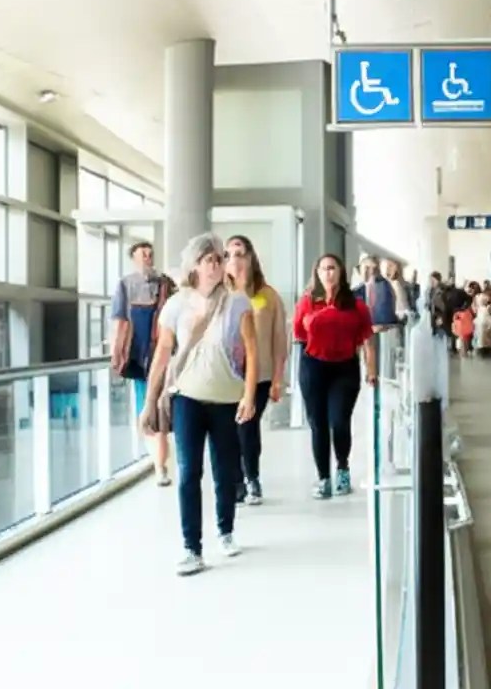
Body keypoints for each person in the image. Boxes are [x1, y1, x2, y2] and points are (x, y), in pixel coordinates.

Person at [141, 233, 258, 576]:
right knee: (189, 471)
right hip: (187, 397)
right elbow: (163, 353)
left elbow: (251, 352)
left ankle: (225, 531)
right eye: (211, 260)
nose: (218, 265)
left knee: (225, 470)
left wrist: (250, 395)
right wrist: (151, 401)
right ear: (195, 265)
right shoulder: (176, 304)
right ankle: (192, 547)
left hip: (225, 398)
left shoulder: (238, 303)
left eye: (220, 260)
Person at [293, 254, 379, 499]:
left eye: (332, 268)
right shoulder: (307, 302)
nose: (328, 273)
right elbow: (299, 334)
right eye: (323, 269)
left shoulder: (357, 306)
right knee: (318, 424)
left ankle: (342, 467)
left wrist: (371, 369)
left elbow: (367, 341)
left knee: (339, 421)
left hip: (345, 368)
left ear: (341, 272)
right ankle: (323, 478)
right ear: (317, 273)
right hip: (314, 367)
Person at [225, 235, 287, 505]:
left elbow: (278, 340)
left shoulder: (267, 295)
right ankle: (235, 479)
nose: (234, 260)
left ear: (251, 258)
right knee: (229, 430)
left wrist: (277, 378)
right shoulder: (219, 295)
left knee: (247, 426)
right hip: (227, 376)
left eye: (240, 253)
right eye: (228, 254)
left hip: (259, 376)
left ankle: (251, 477)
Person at [110, 241, 176, 486]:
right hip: (139, 356)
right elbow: (119, 321)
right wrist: (117, 354)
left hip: (164, 354)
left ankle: (160, 465)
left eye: (150, 254)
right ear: (134, 258)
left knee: (159, 408)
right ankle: (159, 465)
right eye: (143, 254)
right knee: (148, 409)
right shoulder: (125, 285)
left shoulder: (166, 284)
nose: (148, 258)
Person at [355, 255, 398, 329]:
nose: (371, 272)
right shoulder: (354, 295)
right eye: (367, 268)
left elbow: (393, 316)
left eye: (375, 268)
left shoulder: (388, 288)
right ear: (359, 270)